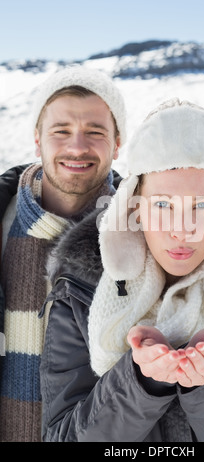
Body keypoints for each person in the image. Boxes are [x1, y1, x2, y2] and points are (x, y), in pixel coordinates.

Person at [40, 98, 204, 442]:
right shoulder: (77, 292)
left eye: (203, 205)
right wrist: (139, 383)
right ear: (135, 207)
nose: (182, 228)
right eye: (163, 204)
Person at [0, 65, 127, 442]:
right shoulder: (3, 222)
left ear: (117, 143)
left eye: (95, 132)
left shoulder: (146, 236)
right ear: (37, 139)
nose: (77, 147)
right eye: (61, 132)